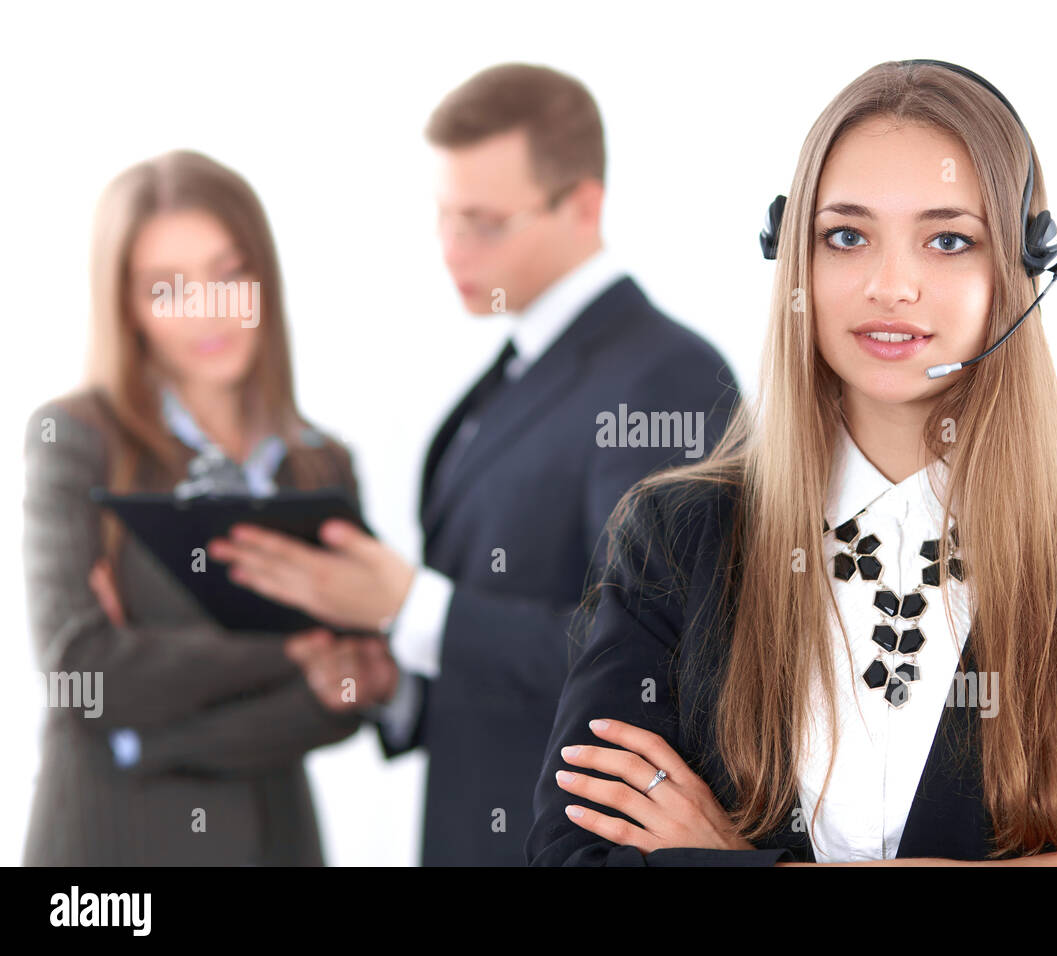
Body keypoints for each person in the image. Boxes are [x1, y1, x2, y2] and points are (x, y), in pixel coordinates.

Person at [525, 59, 1057, 867]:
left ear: (1022, 269)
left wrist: (727, 859)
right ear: (796, 258)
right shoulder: (675, 536)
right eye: (846, 236)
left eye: (949, 240)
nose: (891, 286)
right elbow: (577, 857)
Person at [206, 63, 742, 865]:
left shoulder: (662, 375)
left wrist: (412, 605)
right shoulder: (511, 370)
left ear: (584, 205)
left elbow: (653, 661)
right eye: (444, 217)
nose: (453, 248)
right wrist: (397, 677)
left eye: (485, 222)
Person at [21, 150, 364, 866]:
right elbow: (83, 673)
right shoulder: (77, 441)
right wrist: (290, 656)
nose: (209, 310)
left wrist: (151, 731)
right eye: (166, 288)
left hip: (277, 841)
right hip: (117, 854)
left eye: (229, 274)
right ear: (127, 306)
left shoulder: (318, 462)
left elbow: (354, 691)